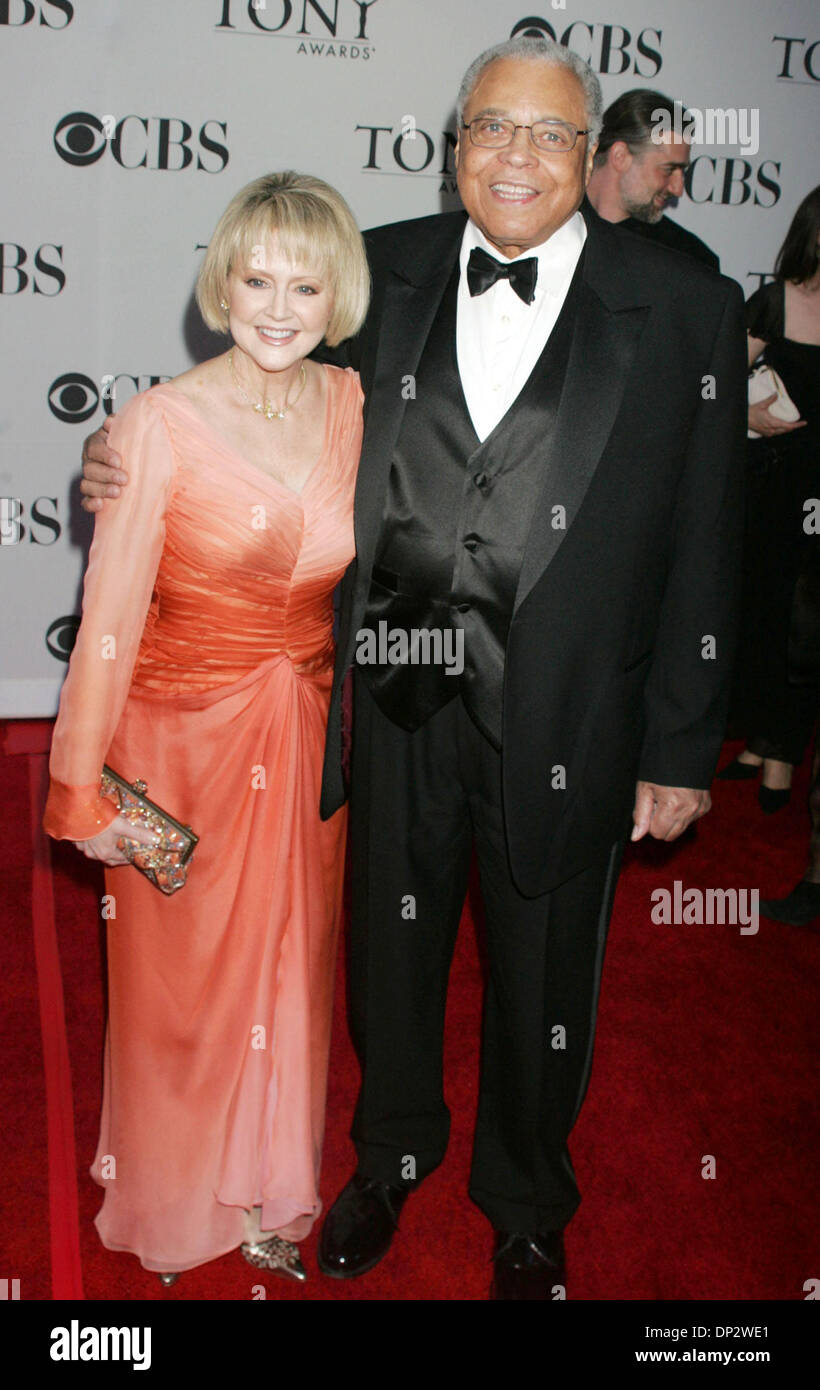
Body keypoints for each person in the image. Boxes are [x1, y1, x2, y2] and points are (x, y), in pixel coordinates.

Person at [81, 38, 746, 1300]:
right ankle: (387, 1153)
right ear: (453, 144)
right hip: (388, 693)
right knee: (391, 956)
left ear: (588, 151)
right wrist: (117, 461)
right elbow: (249, 395)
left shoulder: (688, 309)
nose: (517, 155)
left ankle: (527, 1201)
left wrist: (677, 746)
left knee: (546, 970)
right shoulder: (378, 266)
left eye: (549, 133)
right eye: (492, 127)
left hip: (570, 710)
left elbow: (707, 537)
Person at [45, 171, 368, 1284]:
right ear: (221, 283)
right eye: (256, 279)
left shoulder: (356, 404)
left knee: (291, 976)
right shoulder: (159, 423)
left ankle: (267, 1188)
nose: (277, 307)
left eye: (305, 285)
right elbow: (106, 623)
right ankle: (181, 1196)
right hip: (181, 739)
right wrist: (80, 788)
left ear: (339, 296)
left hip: (308, 732)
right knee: (181, 998)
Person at [719, 187, 820, 810]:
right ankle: (759, 739)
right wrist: (751, 420)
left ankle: (782, 753)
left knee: (804, 624)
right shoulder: (774, 303)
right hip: (771, 480)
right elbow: (717, 384)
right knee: (761, 610)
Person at [587, 88, 720, 270]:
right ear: (620, 156)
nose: (678, 189)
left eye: (682, 171)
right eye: (668, 170)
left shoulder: (689, 260)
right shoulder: (548, 227)